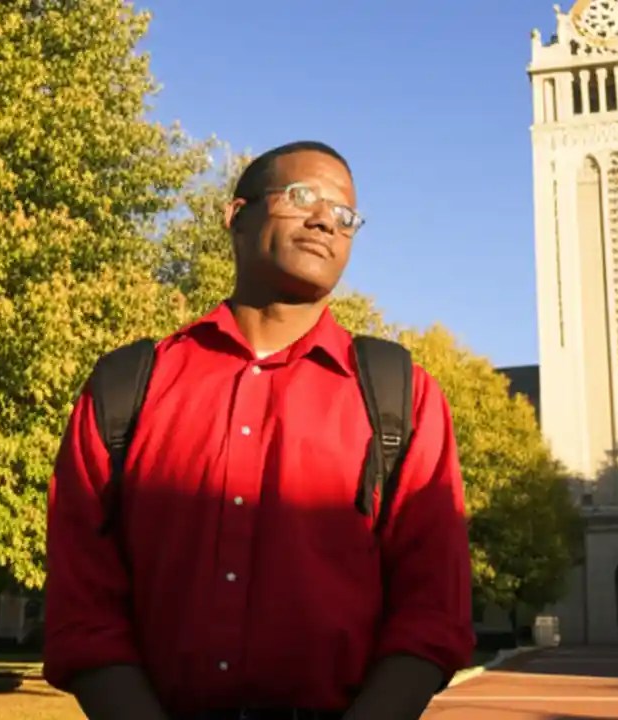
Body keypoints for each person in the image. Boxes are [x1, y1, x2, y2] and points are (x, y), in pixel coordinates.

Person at [43, 141, 476, 720]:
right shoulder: (129, 386)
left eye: (346, 215)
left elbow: (432, 610)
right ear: (236, 216)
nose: (327, 219)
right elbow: (83, 604)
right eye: (302, 197)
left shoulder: (403, 395)